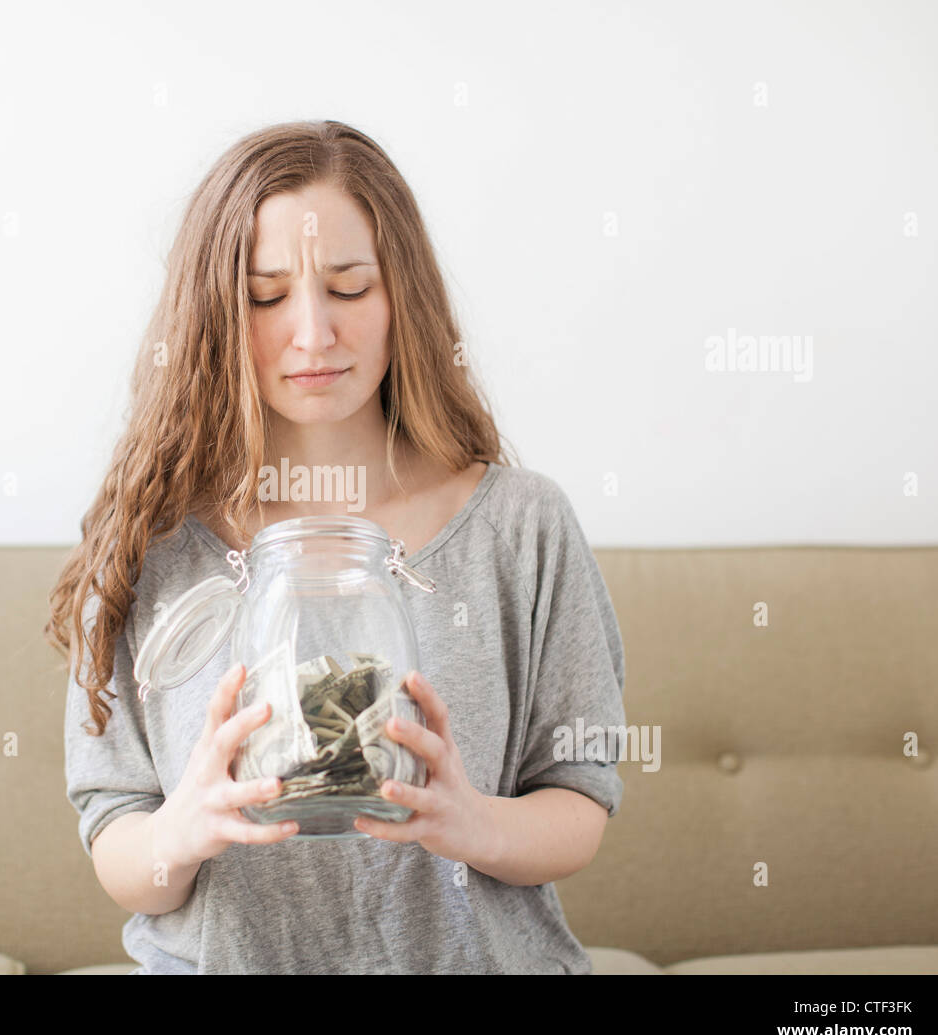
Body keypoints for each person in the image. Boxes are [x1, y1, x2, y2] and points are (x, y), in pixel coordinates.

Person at [47, 119, 627, 974]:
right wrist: (187, 826)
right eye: (266, 295)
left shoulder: (521, 526)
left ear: (404, 298)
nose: (313, 333)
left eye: (349, 288)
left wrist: (476, 823)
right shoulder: (148, 539)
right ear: (213, 315)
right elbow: (120, 843)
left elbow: (580, 797)